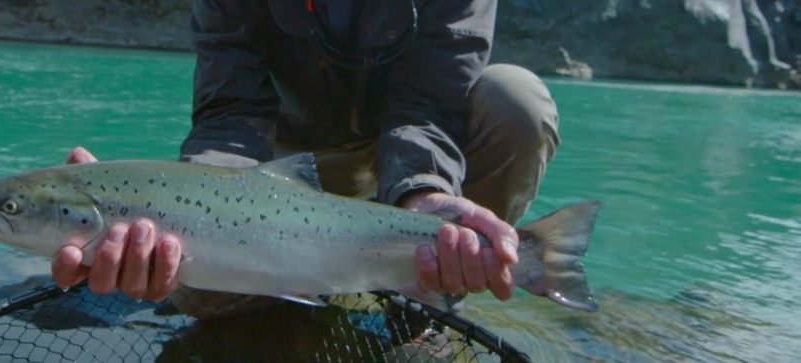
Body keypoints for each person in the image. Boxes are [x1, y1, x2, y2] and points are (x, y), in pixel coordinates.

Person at [51, 0, 561, 320]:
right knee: (204, 294)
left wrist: (426, 195)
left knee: (516, 101)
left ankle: (437, 285)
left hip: (406, 162)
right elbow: (230, 112)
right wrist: (180, 213)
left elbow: (429, 108)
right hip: (278, 166)